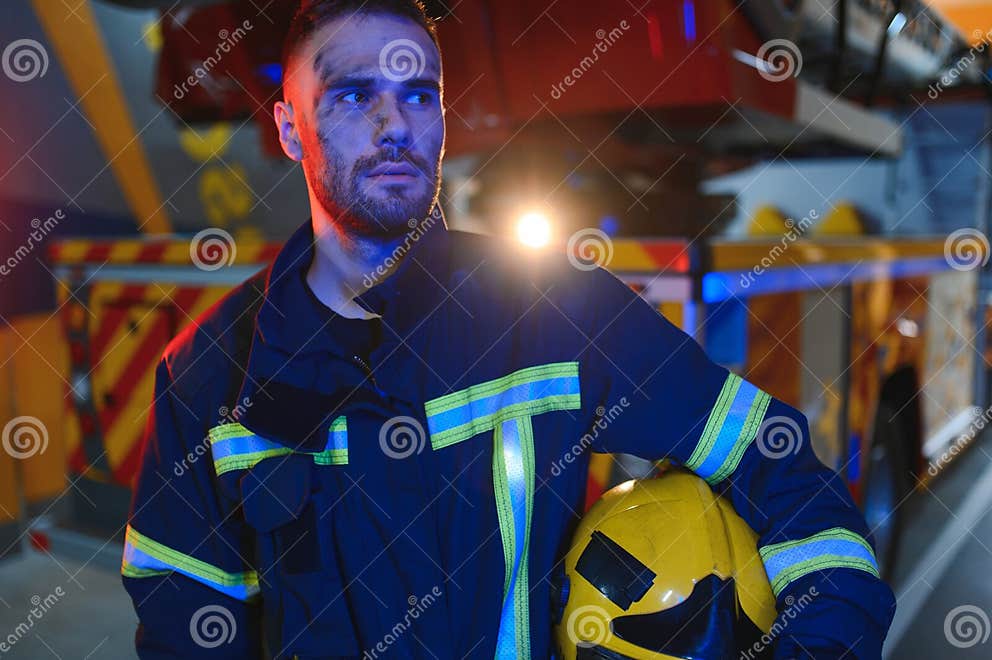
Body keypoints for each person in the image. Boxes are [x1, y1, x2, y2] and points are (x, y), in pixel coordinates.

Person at [121, 1, 896, 658]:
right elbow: (184, 621)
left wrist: (823, 638)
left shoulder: (559, 312)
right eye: (355, 96)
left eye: (419, 95)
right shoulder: (208, 379)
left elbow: (778, 461)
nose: (395, 125)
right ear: (291, 129)